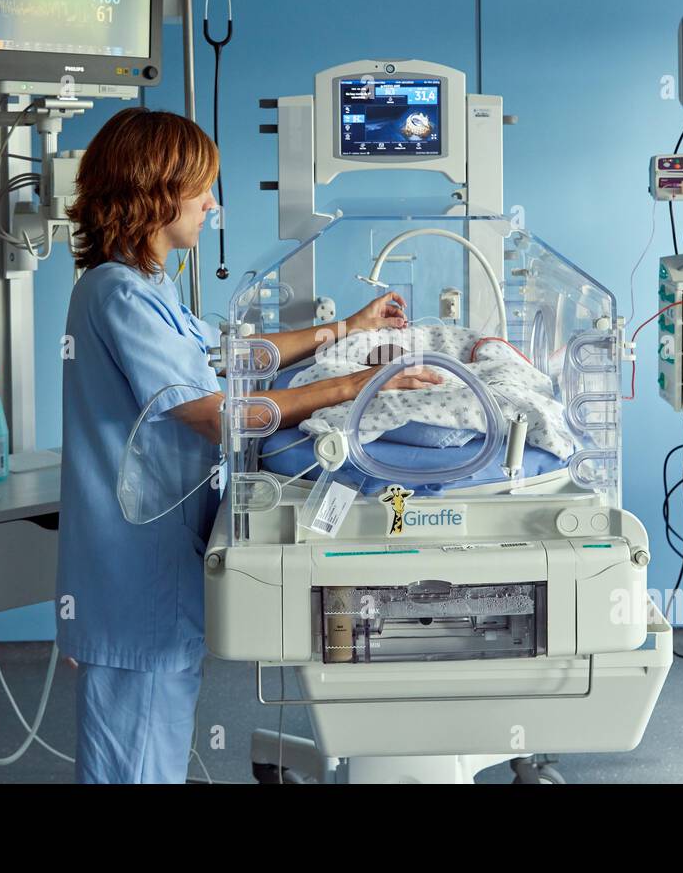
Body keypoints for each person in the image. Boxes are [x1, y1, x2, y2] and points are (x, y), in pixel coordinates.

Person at [57, 108, 439, 783]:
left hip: (155, 559)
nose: (214, 204)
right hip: (134, 568)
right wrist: (357, 384)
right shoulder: (117, 294)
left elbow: (231, 355)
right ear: (157, 190)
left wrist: (344, 327)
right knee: (136, 757)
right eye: (202, 188)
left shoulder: (148, 287)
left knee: (152, 744)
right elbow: (215, 413)